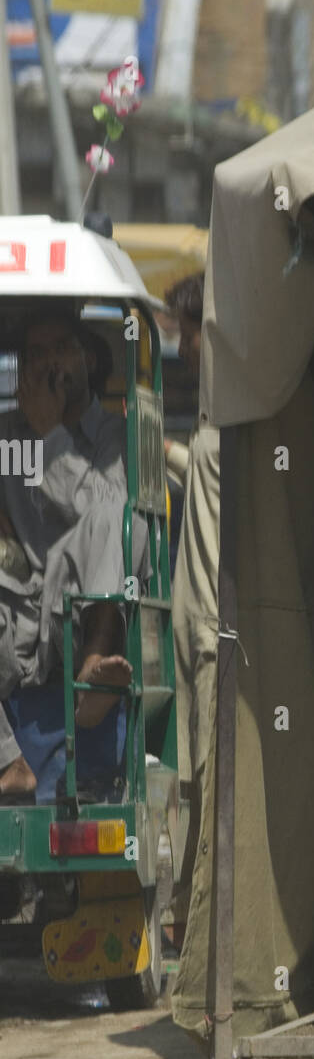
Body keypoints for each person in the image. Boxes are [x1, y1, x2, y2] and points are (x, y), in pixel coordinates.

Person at [0, 306, 149, 799]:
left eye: (61, 349)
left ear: (86, 356)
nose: (50, 365)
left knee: (116, 514)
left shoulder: (112, 437)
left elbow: (106, 514)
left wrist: (51, 436)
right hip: (15, 619)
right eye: (35, 354)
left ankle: (97, 666)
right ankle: (9, 761)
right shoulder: (8, 437)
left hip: (78, 619)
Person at [161, 273, 219, 953]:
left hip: (216, 641)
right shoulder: (212, 410)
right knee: (194, 791)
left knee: (211, 794)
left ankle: (209, 952)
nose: (183, 351)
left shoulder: (244, 407)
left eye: (190, 335)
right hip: (196, 636)